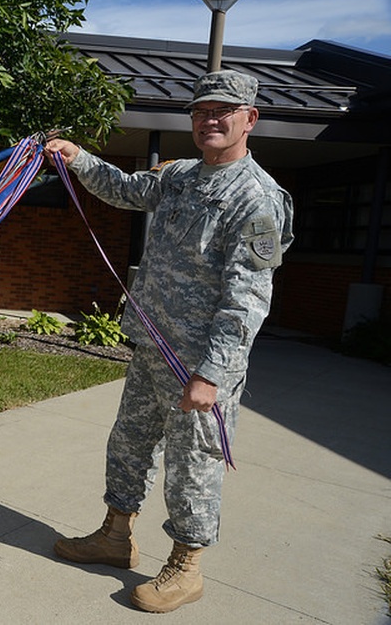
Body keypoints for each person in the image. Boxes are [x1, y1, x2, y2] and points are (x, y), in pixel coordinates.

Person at [45, 70, 294, 613]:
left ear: (249, 119)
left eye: (223, 111)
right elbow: (125, 189)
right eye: (201, 110)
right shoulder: (180, 176)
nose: (210, 119)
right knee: (129, 443)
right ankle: (115, 535)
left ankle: (187, 564)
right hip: (153, 345)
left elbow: (248, 298)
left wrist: (213, 374)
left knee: (192, 465)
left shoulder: (258, 199)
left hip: (198, 365)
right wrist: (79, 158)